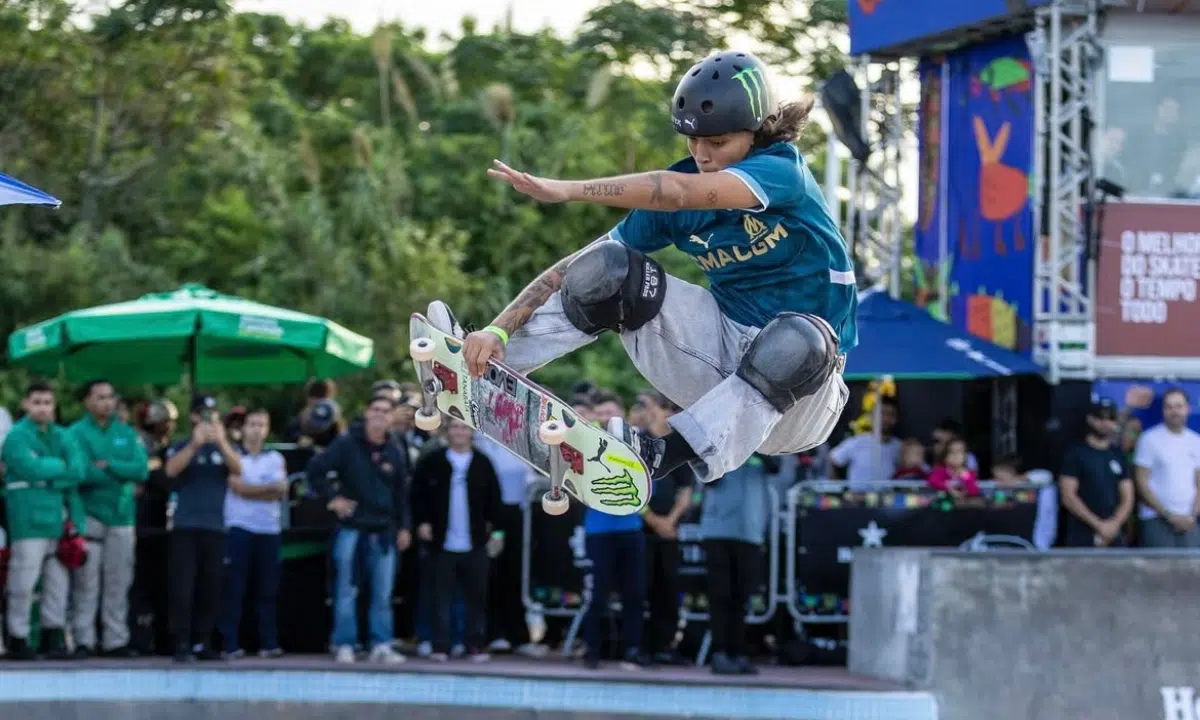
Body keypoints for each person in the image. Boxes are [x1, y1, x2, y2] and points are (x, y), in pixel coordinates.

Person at [423, 49, 854, 485]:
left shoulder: (782, 173)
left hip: (803, 399)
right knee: (605, 268)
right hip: (717, 360)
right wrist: (497, 331)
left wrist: (568, 190)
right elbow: (569, 270)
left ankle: (657, 457)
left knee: (800, 336)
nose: (703, 155)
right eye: (694, 141)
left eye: (718, 143)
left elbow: (680, 192)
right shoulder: (681, 192)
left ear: (758, 132)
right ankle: (490, 371)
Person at [305, 394, 411, 664]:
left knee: (383, 592)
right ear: (366, 413)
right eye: (375, 409)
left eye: (385, 411)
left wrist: (404, 527)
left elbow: (401, 492)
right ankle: (344, 643)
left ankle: (381, 643)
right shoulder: (347, 444)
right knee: (346, 589)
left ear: (391, 417)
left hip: (384, 528)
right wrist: (333, 499)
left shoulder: (396, 447)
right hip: (352, 527)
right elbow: (315, 470)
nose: (379, 415)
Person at [3, 382, 87, 660]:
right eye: (37, 402)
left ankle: (54, 637)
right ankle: (18, 637)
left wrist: (46, 471)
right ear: (26, 404)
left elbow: (78, 470)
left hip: (57, 518)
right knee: (23, 582)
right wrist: (59, 467)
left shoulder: (63, 435)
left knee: (57, 582)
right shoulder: (16, 437)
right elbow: (26, 466)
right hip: (27, 518)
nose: (42, 408)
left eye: (48, 402)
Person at [68, 379, 149, 658]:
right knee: (86, 582)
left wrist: (110, 465)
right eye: (100, 397)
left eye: (110, 397)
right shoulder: (75, 434)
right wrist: (117, 474)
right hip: (90, 516)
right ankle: (83, 640)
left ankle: (115, 640)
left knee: (119, 581)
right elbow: (81, 473)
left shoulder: (126, 433)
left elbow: (141, 470)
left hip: (122, 517)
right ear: (88, 402)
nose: (107, 403)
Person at [163, 395, 244, 662]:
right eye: (204, 415)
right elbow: (171, 470)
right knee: (183, 586)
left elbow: (238, 469)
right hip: (186, 526)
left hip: (215, 526)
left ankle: (203, 640)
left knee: (211, 586)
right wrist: (195, 444)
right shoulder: (182, 445)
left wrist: (220, 441)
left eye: (213, 414)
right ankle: (182, 642)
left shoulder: (224, 448)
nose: (210, 420)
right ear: (194, 418)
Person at [219, 408, 289, 658]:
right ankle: (230, 644)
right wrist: (266, 489)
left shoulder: (275, 458)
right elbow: (237, 488)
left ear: (267, 429)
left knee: (267, 590)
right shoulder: (233, 456)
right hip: (239, 528)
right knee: (234, 588)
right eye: (252, 424)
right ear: (243, 428)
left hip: (269, 529)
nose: (256, 429)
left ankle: (268, 643)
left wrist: (252, 489)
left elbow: (280, 491)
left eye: (261, 424)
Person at [1057, 400, 1134, 548]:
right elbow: (1068, 496)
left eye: (1110, 419)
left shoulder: (1118, 455)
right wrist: (1098, 525)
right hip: (1081, 532)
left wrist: (1114, 524)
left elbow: (1128, 496)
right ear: (1090, 419)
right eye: (1100, 418)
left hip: (1114, 532)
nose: (1105, 423)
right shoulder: (1075, 453)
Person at [1133, 388, 1200, 548]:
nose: (1174, 411)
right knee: (1159, 571)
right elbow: (1141, 482)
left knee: (1191, 571)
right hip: (1157, 520)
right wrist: (1168, 515)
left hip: (1190, 521)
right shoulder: (1149, 439)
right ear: (1163, 411)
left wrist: (1192, 515)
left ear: (1187, 409)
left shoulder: (1196, 441)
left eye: (1178, 406)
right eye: (1169, 407)